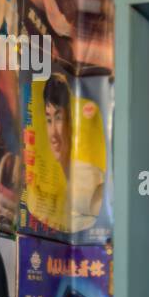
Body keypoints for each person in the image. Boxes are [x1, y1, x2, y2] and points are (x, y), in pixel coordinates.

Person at [43, 73, 105, 230]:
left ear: (71, 121)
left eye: (58, 118)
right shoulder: (57, 182)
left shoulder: (87, 181)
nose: (53, 133)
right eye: (49, 120)